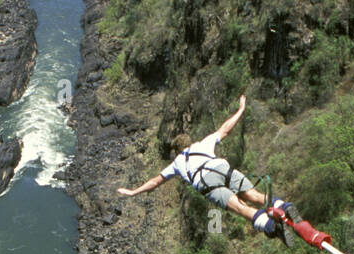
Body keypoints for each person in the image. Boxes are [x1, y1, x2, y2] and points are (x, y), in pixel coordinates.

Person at [117, 94, 299, 242]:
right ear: (190, 143)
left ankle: (272, 228)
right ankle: (285, 206)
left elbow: (155, 181)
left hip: (206, 181)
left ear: (177, 150)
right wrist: (241, 109)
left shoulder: (177, 163)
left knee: (241, 208)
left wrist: (134, 192)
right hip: (221, 167)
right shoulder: (203, 143)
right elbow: (225, 129)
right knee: (255, 196)